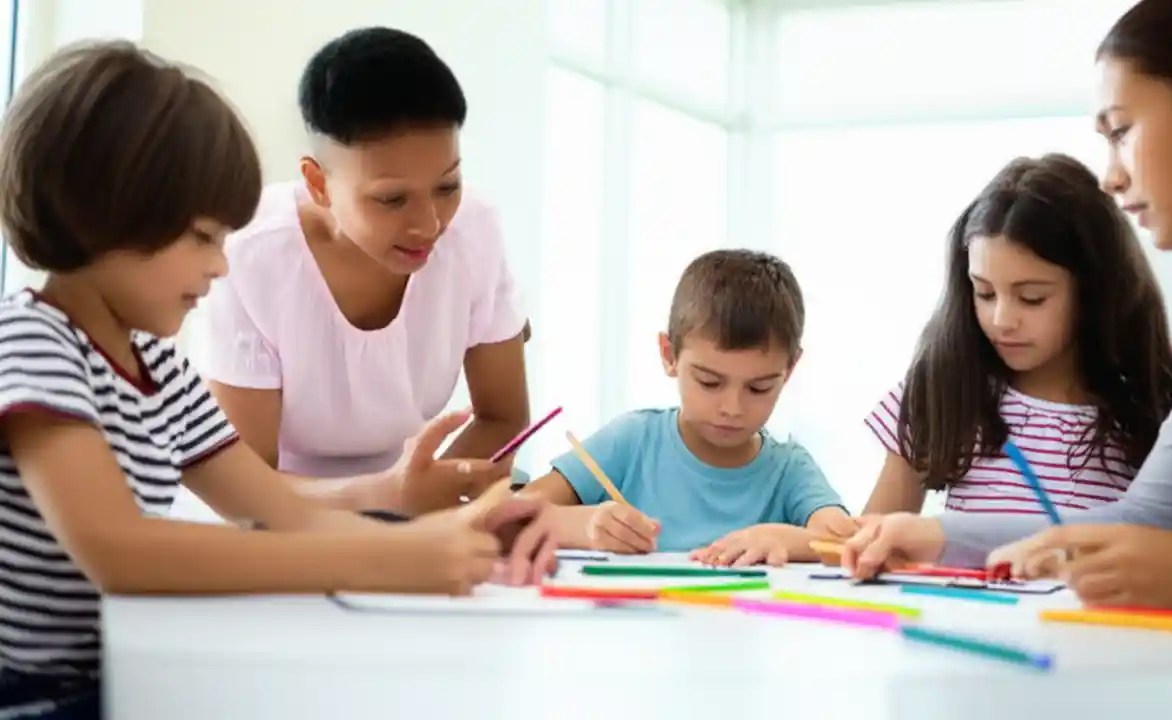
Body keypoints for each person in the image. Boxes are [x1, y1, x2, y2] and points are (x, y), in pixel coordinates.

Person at [0, 41, 554, 717]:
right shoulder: (33, 340)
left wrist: (439, 541)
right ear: (104, 218)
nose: (222, 268)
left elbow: (278, 510)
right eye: (202, 239)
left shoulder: (161, 369)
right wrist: (389, 560)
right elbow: (119, 551)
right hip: (41, 699)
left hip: (129, 675)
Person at [843, 0, 1172, 610]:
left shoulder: (1160, 382)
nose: (1110, 178)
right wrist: (937, 533)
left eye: (1121, 131)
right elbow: (1149, 517)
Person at [199, 27, 530, 514]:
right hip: (282, 519)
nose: (429, 225)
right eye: (392, 199)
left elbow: (504, 417)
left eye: (447, 185)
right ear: (318, 183)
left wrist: (432, 491)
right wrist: (388, 501)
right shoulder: (249, 257)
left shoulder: (474, 229)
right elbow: (242, 484)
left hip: (410, 506)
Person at [859, 154, 1172, 542]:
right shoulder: (944, 391)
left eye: (1032, 298)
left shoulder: (1157, 412)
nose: (1002, 319)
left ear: (1095, 292)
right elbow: (868, 541)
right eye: (984, 292)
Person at [522, 250, 852, 565]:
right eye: (709, 382)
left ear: (790, 370)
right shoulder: (632, 441)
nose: (732, 408)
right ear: (669, 355)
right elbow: (513, 515)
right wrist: (584, 524)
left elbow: (850, 543)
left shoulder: (789, 469)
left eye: (759, 388)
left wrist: (786, 540)